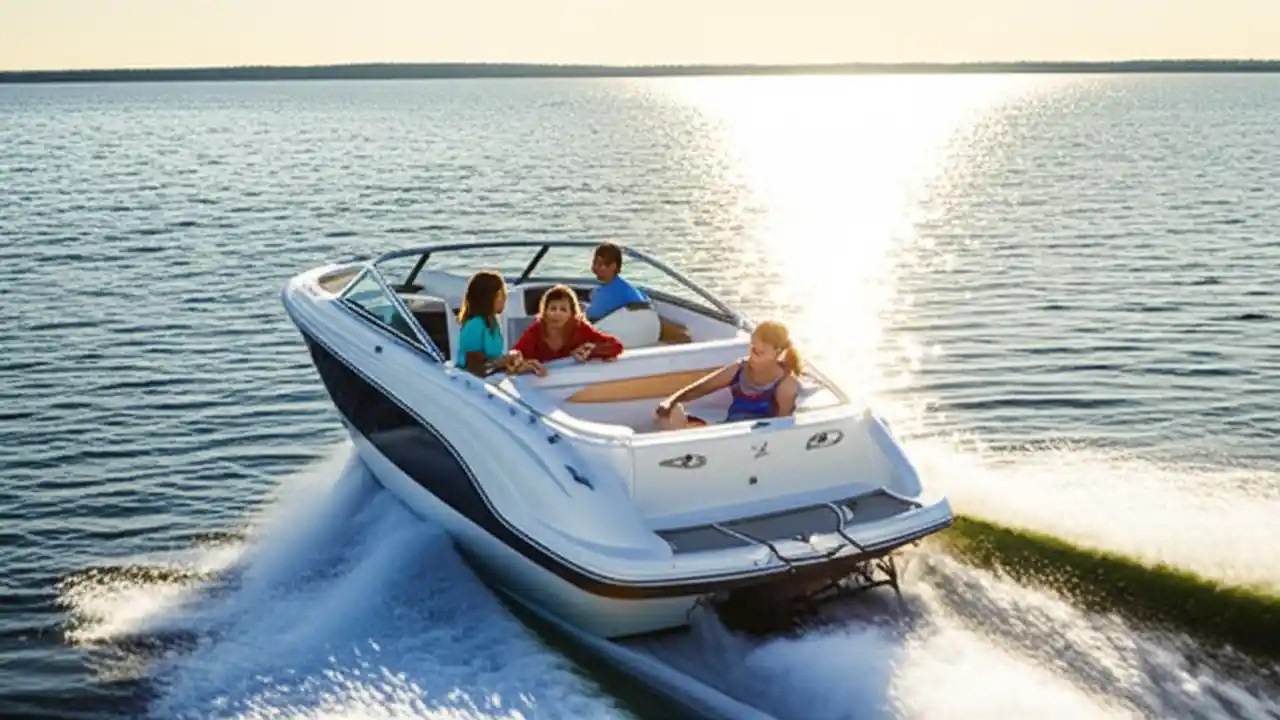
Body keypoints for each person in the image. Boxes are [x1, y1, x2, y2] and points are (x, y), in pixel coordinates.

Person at [655, 321, 802, 430]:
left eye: (759, 352)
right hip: (729, 430)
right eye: (752, 349)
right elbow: (701, 388)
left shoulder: (786, 384)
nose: (752, 356)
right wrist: (670, 401)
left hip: (758, 439)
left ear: (777, 352)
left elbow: (783, 426)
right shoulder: (739, 369)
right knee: (673, 411)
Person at [512, 285, 623, 364]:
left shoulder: (579, 328)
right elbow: (516, 354)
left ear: (572, 314)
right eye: (553, 308)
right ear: (544, 312)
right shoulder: (536, 330)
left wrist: (592, 350)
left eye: (563, 309)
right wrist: (519, 359)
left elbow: (616, 345)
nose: (557, 313)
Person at [455, 270, 538, 376]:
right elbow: (474, 367)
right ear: (495, 296)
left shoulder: (492, 322)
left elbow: (494, 360)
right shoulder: (474, 325)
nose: (505, 297)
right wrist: (502, 362)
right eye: (503, 293)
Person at [585, 242, 649, 322]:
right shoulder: (628, 288)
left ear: (613, 266)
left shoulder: (606, 295)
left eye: (600, 264)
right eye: (594, 263)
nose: (595, 267)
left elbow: (589, 317)